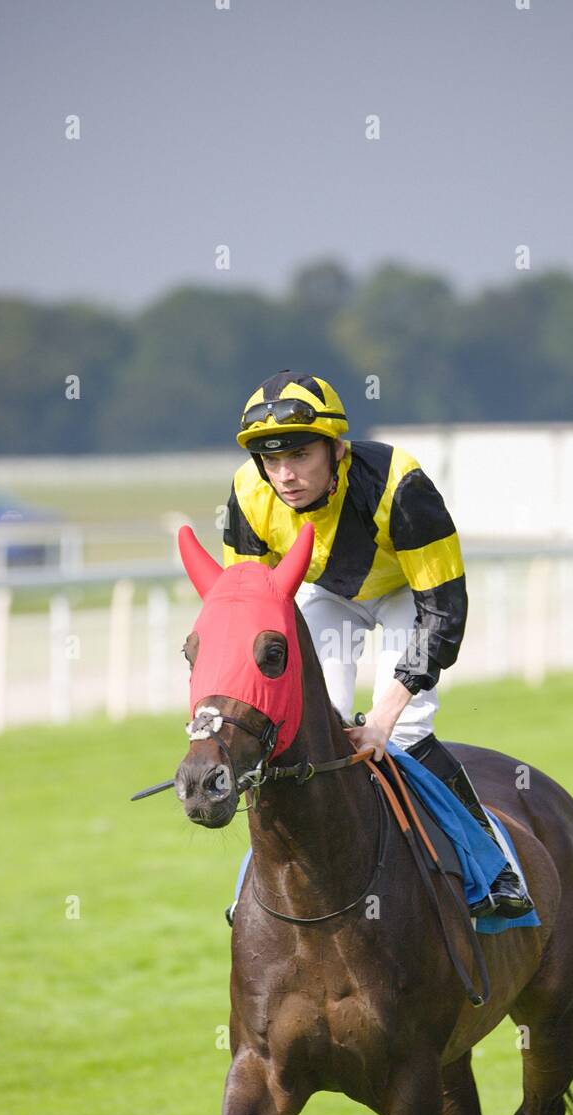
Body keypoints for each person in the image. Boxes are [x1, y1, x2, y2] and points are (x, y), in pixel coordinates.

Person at [222, 367, 534, 919]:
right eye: (272, 461)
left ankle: (493, 867)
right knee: (308, 728)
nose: (285, 475)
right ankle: (255, 881)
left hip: (404, 594)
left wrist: (384, 720)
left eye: (300, 456)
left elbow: (444, 612)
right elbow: (249, 612)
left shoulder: (399, 484)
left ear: (337, 450)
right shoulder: (249, 492)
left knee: (407, 732)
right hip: (327, 596)